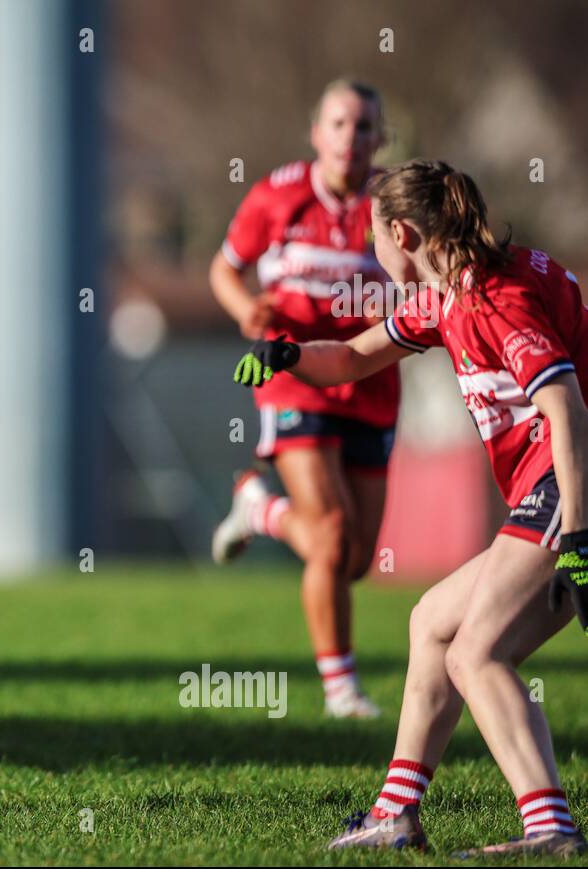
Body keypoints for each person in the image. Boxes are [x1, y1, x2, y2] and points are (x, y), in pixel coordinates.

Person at [234, 158, 588, 857]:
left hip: (569, 487)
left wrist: (577, 536)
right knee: (432, 623)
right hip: (551, 492)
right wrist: (286, 353)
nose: (373, 253)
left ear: (402, 231)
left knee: (477, 653)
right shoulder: (447, 294)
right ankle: (395, 812)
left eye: (376, 240)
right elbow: (352, 358)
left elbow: (567, 408)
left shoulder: (494, 297)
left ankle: (550, 827)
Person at [209, 79, 393, 718]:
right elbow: (224, 269)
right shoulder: (278, 194)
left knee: (357, 559)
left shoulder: (392, 204)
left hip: (370, 379)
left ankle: (259, 511)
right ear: (317, 133)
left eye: (364, 126)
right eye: (339, 124)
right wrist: (246, 312)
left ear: (381, 139)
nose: (352, 138)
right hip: (289, 372)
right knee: (334, 534)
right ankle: (342, 690)